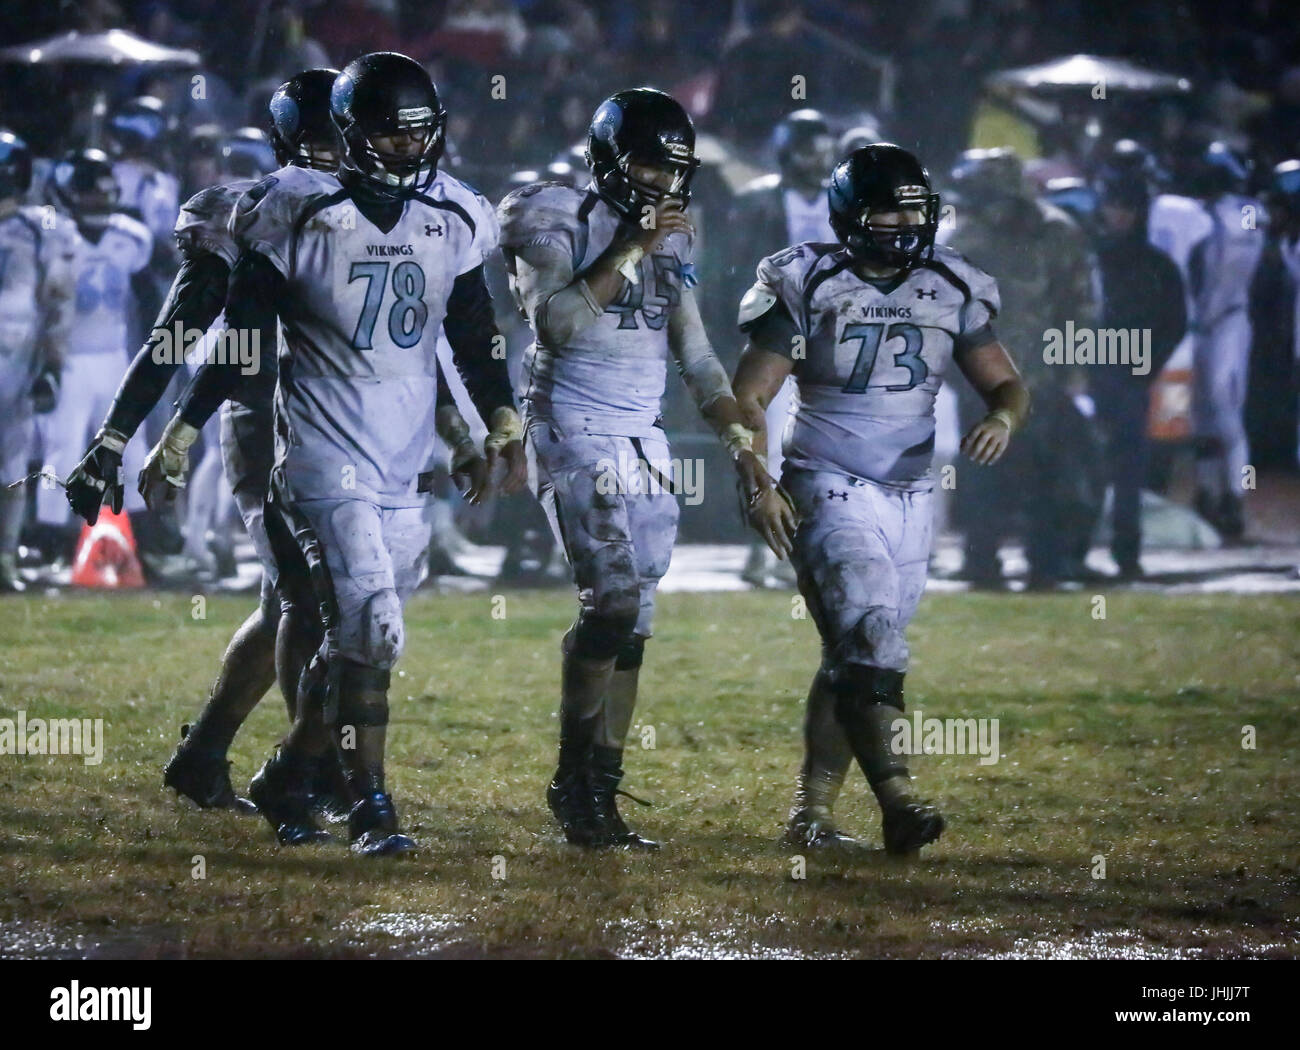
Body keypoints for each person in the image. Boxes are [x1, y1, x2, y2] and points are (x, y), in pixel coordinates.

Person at [147, 53, 524, 856]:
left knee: (351, 640)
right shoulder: (294, 207)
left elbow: (472, 336)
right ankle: (370, 805)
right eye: (391, 133)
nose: (409, 149)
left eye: (421, 132)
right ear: (350, 134)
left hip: (400, 463)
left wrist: (497, 422)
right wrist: (180, 432)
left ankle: (291, 770)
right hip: (320, 455)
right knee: (368, 628)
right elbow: (242, 341)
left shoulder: (451, 213)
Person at [497, 88, 780, 849]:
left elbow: (693, 354)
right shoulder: (551, 215)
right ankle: (568, 778)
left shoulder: (676, 237)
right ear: (611, 160)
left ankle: (600, 788)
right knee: (612, 601)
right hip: (570, 425)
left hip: (642, 435)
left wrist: (741, 445)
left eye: (675, 169)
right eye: (650, 165)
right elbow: (554, 322)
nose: (662, 182)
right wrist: (633, 246)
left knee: (636, 623)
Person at [731, 144, 1029, 852]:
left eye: (914, 210)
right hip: (828, 480)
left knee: (855, 650)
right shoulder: (806, 277)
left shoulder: (950, 282)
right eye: (887, 210)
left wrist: (1003, 417)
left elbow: (1005, 381)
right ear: (849, 216)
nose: (902, 224)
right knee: (868, 636)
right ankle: (898, 796)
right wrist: (758, 480)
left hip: (912, 495)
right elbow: (748, 395)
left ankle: (811, 816)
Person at [66, 70, 343, 813]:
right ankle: (310, 774)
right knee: (308, 604)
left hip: (356, 430)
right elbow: (175, 335)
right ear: (291, 142)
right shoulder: (242, 212)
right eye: (324, 138)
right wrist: (121, 435)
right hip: (268, 424)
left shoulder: (387, 213)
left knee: (286, 605)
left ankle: (204, 755)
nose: (343, 152)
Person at [724, 110, 838, 587]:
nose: (816, 159)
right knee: (763, 447)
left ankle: (808, 550)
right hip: (773, 344)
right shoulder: (757, 201)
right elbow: (730, 273)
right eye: (807, 148)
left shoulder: (843, 203)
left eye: (821, 148)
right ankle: (760, 552)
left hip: (832, 347)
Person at [1089, 162, 1187, 578]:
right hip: (1089, 375)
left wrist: (1145, 367)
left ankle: (1126, 555)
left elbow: (1174, 322)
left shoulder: (1159, 265)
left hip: (1130, 378)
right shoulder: (1090, 257)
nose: (1120, 214)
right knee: (1086, 466)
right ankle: (1074, 551)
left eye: (1127, 206)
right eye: (1113, 205)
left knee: (1128, 471)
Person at [0, 130, 76, 591]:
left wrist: (51, 364)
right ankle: (5, 557)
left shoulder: (40, 227)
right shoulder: (43, 226)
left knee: (11, 464)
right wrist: (53, 363)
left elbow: (58, 301)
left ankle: (5, 557)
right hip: (17, 352)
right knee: (10, 465)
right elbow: (58, 303)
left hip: (15, 356)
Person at [1188, 143, 1268, 540]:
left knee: (1225, 405)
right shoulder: (1192, 214)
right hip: (1195, 323)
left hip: (1229, 320)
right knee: (1198, 412)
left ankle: (1235, 494)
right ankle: (1207, 492)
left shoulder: (1246, 214)